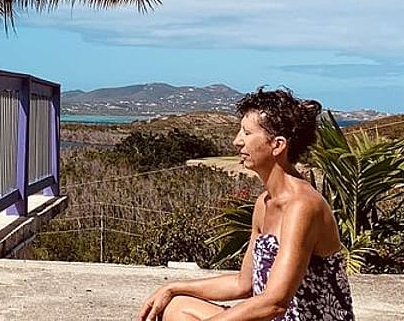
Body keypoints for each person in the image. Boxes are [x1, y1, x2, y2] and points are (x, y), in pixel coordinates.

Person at [137, 88, 355, 321]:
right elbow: (244, 283)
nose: (236, 141)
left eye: (247, 133)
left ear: (277, 145)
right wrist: (173, 287)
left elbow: (275, 303)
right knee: (177, 305)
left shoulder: (303, 206)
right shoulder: (265, 203)